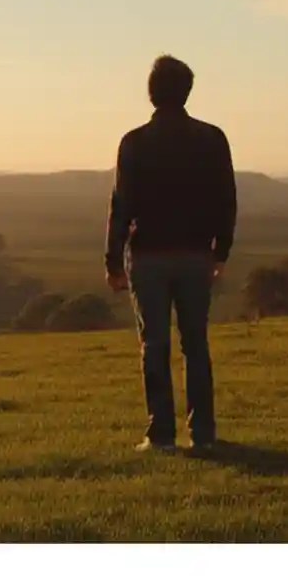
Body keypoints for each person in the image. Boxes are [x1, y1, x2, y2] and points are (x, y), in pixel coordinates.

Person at [105, 54, 237, 454]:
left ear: (151, 93)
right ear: (187, 91)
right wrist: (221, 251)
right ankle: (204, 434)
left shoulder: (134, 142)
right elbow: (226, 199)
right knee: (196, 345)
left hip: (148, 257)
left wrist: (113, 262)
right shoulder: (212, 138)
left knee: (155, 345)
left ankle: (161, 434)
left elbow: (121, 206)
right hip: (197, 254)